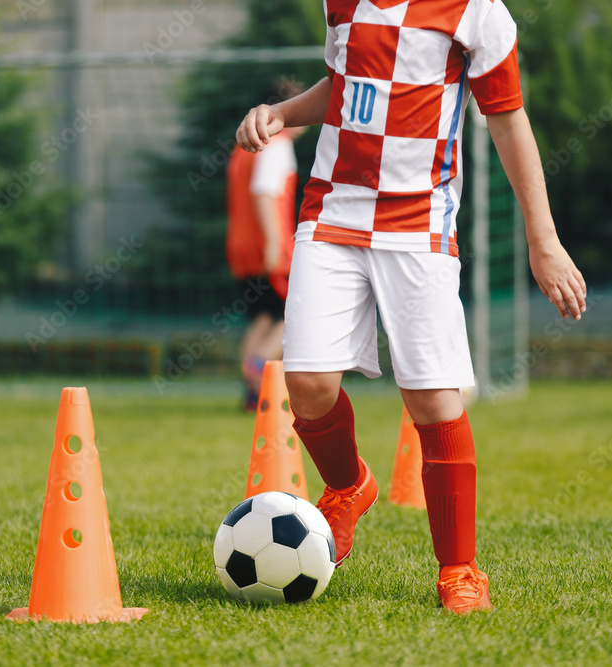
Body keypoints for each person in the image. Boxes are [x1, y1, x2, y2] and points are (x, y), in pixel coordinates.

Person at [236, 0, 586, 614]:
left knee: (431, 398)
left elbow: (507, 120)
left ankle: (459, 568)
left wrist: (544, 240)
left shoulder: (478, 11)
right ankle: (348, 487)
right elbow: (344, 87)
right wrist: (281, 114)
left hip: (417, 226)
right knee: (308, 382)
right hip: (331, 213)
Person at [226, 82, 305, 411]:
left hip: (243, 246)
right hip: (269, 247)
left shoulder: (245, 146)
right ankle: (259, 372)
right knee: (296, 314)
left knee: (261, 316)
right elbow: (264, 191)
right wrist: (274, 240)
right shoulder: (278, 143)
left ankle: (251, 392)